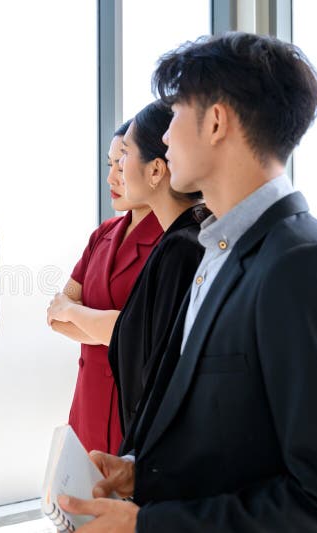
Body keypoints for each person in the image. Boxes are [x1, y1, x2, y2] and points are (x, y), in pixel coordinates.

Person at [58, 32, 317, 532]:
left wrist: (145, 526)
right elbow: (234, 441)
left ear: (217, 122)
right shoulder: (211, 248)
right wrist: (140, 473)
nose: (164, 137)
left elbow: (314, 501)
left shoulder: (300, 263)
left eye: (176, 113)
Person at [47, 120, 163, 455]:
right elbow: (56, 317)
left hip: (133, 406)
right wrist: (107, 325)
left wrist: (75, 311)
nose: (112, 177)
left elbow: (141, 333)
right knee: (77, 501)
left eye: (122, 164)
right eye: (109, 165)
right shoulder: (104, 234)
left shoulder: (173, 241)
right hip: (89, 404)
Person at [108, 101, 207, 440]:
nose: (118, 170)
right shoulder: (180, 240)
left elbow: (162, 378)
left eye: (124, 155)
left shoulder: (182, 249)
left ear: (155, 171)